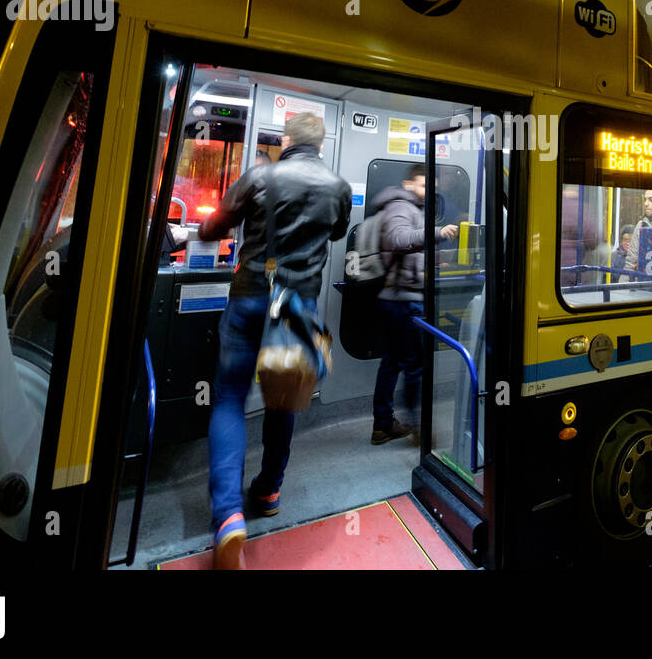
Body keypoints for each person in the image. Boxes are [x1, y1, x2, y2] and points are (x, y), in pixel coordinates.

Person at [196, 112, 352, 569]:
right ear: (320, 145)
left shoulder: (260, 175)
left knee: (228, 398)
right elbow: (336, 232)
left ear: (285, 139)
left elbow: (213, 226)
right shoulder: (338, 188)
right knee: (285, 397)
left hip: (249, 299)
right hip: (298, 308)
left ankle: (227, 518)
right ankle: (267, 491)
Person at [369, 164, 458, 444]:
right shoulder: (401, 205)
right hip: (404, 300)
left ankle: (383, 425)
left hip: (396, 296)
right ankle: (420, 430)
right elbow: (398, 239)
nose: (427, 190)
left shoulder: (410, 207)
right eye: (422, 185)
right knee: (414, 366)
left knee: (392, 362)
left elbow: (408, 249)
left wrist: (432, 260)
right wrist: (438, 232)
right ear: (408, 183)